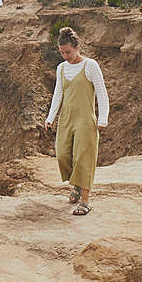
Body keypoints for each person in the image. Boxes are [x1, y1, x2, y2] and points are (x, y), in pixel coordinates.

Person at [43, 26, 109, 215]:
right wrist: (50, 117)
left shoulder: (90, 66)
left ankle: (85, 201)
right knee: (62, 155)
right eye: (62, 53)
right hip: (66, 119)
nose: (66, 56)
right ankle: (77, 185)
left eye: (68, 52)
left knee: (83, 159)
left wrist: (103, 118)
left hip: (85, 121)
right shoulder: (61, 68)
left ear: (77, 47)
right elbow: (58, 94)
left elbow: (102, 93)